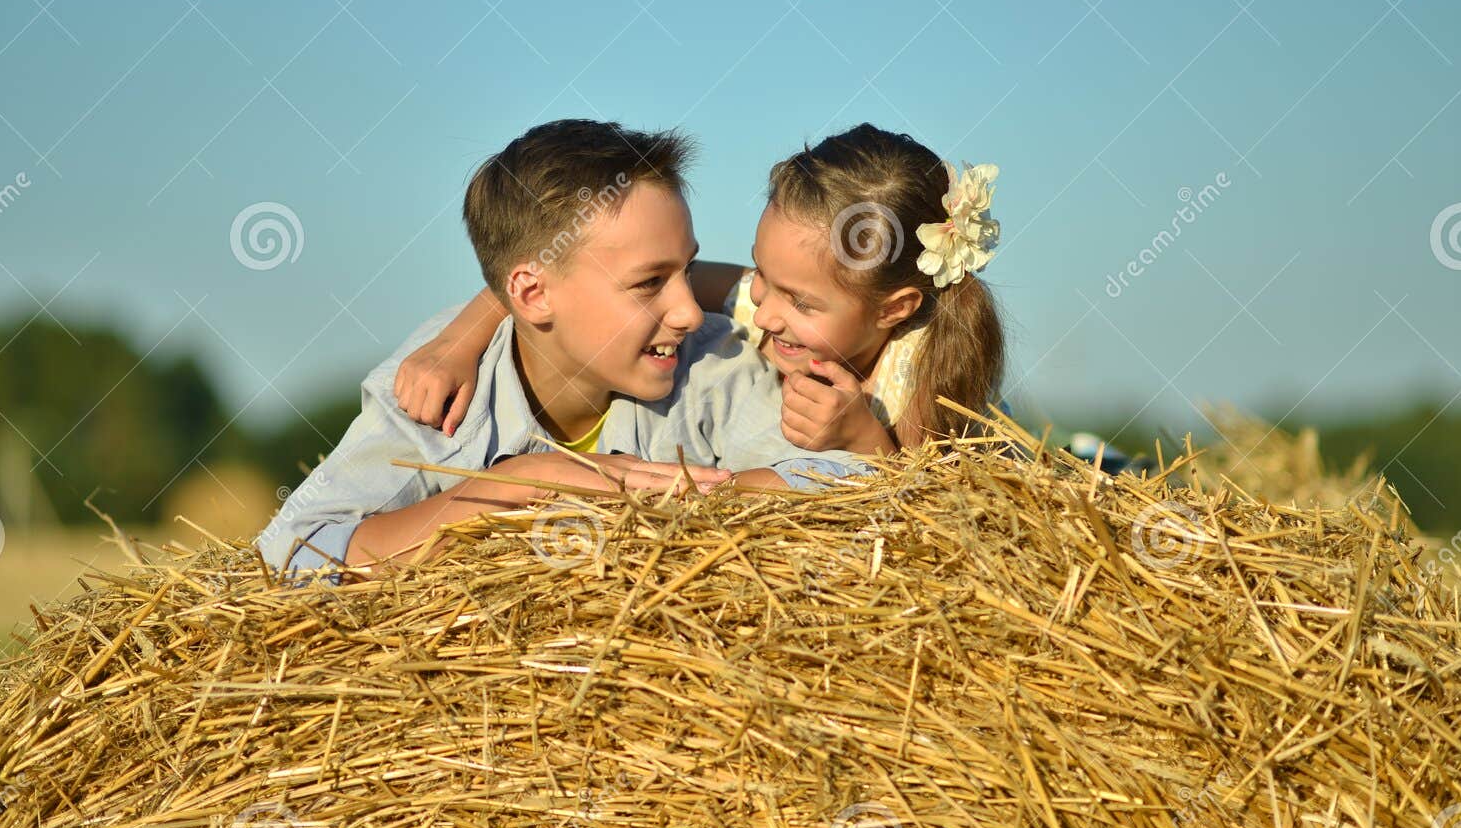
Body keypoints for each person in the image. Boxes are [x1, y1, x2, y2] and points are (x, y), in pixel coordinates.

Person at [255, 119, 870, 582]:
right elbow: (293, 554)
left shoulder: (713, 362)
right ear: (530, 293)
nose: (687, 311)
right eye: (649, 282)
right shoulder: (442, 390)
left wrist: (701, 492)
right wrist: (524, 482)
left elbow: (855, 483)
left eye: (686, 270)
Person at [394, 124, 1010, 455]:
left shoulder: (924, 370)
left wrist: (862, 439)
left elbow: (915, 523)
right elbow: (541, 278)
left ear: (893, 309)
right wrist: (456, 344)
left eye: (801, 302)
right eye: (762, 277)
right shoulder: (765, 300)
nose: (764, 313)